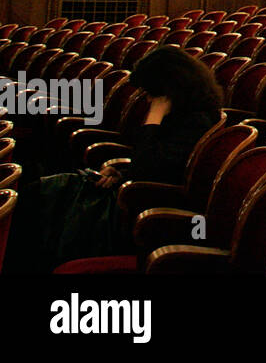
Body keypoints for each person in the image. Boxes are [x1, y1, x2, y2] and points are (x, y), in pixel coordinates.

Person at [4, 46, 223, 272]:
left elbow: (149, 169)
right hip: (132, 195)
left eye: (151, 94)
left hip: (137, 211)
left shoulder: (195, 122)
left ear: (168, 91)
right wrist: (119, 173)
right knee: (42, 190)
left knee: (45, 201)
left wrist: (153, 120)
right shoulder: (187, 114)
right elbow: (153, 164)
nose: (148, 100)